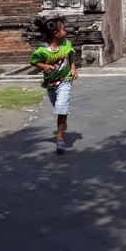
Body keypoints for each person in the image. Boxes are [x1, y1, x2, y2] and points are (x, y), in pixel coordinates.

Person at [30, 15, 78, 153]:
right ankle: (63, 123)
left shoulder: (66, 45)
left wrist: (73, 69)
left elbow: (70, 56)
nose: (66, 32)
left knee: (61, 108)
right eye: (63, 29)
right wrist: (43, 66)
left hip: (65, 81)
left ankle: (59, 138)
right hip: (51, 84)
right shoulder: (42, 51)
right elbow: (33, 61)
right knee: (58, 107)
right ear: (56, 33)